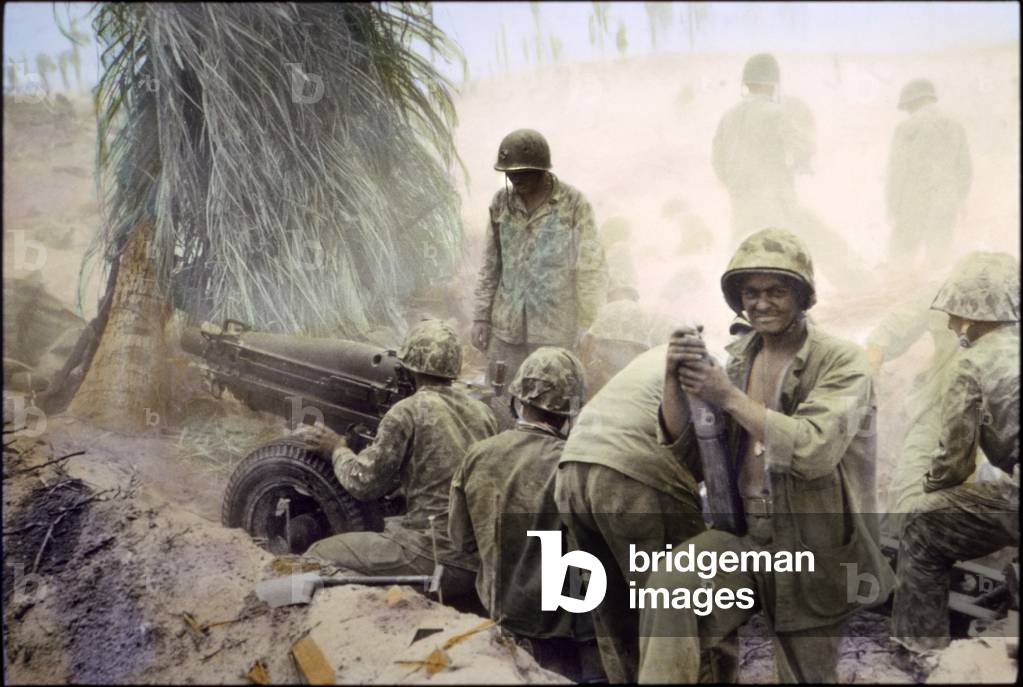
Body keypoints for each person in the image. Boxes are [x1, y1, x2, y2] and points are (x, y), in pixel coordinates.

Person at [638, 228, 894, 683]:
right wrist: (674, 381)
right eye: (751, 293)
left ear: (802, 295)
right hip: (744, 536)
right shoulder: (738, 360)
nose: (761, 303)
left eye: (777, 291)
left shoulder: (842, 361)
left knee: (802, 675)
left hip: (813, 547)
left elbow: (814, 448)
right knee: (671, 587)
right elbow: (692, 459)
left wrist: (728, 396)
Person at [298, 319, 498, 604]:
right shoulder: (482, 412)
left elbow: (363, 483)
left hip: (434, 555)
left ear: (410, 366)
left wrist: (336, 449)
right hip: (479, 559)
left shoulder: (407, 411)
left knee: (317, 555)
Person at [891, 252, 1018, 659]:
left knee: (921, 524)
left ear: (968, 316)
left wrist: (931, 490)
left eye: (952, 313)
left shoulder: (972, 363)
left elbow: (953, 463)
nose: (948, 322)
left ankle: (920, 650)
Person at [448, 347, 602, 682]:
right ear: (572, 410)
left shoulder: (479, 454)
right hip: (559, 636)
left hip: (497, 619)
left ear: (518, 399)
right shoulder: (575, 465)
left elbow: (461, 541)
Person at [554, 345, 706, 682]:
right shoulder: (721, 366)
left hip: (573, 469)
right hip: (636, 474)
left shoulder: (654, 361)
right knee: (692, 615)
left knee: (615, 618)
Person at [712, 54, 862, 290]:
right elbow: (803, 147)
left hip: (741, 201)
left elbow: (717, 161)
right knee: (799, 243)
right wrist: (796, 165)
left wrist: (735, 184)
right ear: (772, 83)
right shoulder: (775, 112)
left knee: (744, 251)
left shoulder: (727, 117)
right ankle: (852, 284)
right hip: (775, 197)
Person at [471, 128, 608, 386]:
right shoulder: (501, 203)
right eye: (509, 173)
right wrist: (481, 316)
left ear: (542, 170)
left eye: (522, 173)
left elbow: (590, 268)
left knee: (549, 398)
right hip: (506, 333)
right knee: (498, 398)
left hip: (554, 333)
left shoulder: (573, 204)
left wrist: (588, 325)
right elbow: (490, 265)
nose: (514, 179)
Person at [885, 79, 972, 269]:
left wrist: (893, 204)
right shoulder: (955, 125)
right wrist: (959, 198)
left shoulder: (906, 128)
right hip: (946, 200)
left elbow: (897, 170)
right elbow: (965, 168)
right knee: (938, 257)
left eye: (908, 106)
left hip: (913, 201)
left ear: (914, 102)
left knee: (901, 256)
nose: (907, 111)